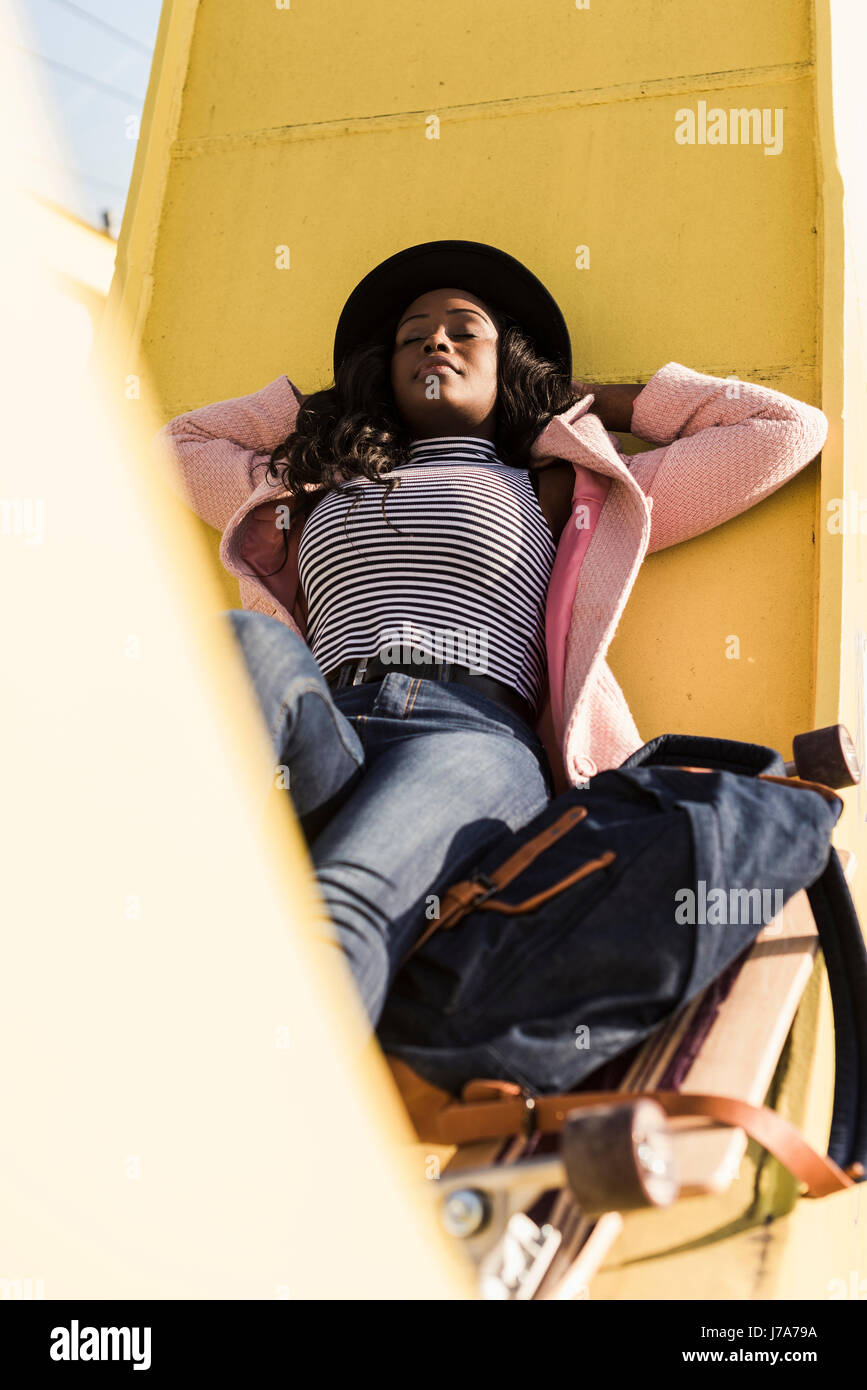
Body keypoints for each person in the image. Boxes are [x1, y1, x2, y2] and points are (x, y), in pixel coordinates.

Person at [155, 239, 829, 1031]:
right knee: (244, 644)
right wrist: (327, 406)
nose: (434, 342)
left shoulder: (560, 491)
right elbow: (176, 445)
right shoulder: (302, 489)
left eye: (462, 331)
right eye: (411, 336)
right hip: (326, 724)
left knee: (337, 904)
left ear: (506, 362)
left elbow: (783, 429)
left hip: (466, 736)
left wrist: (579, 400)